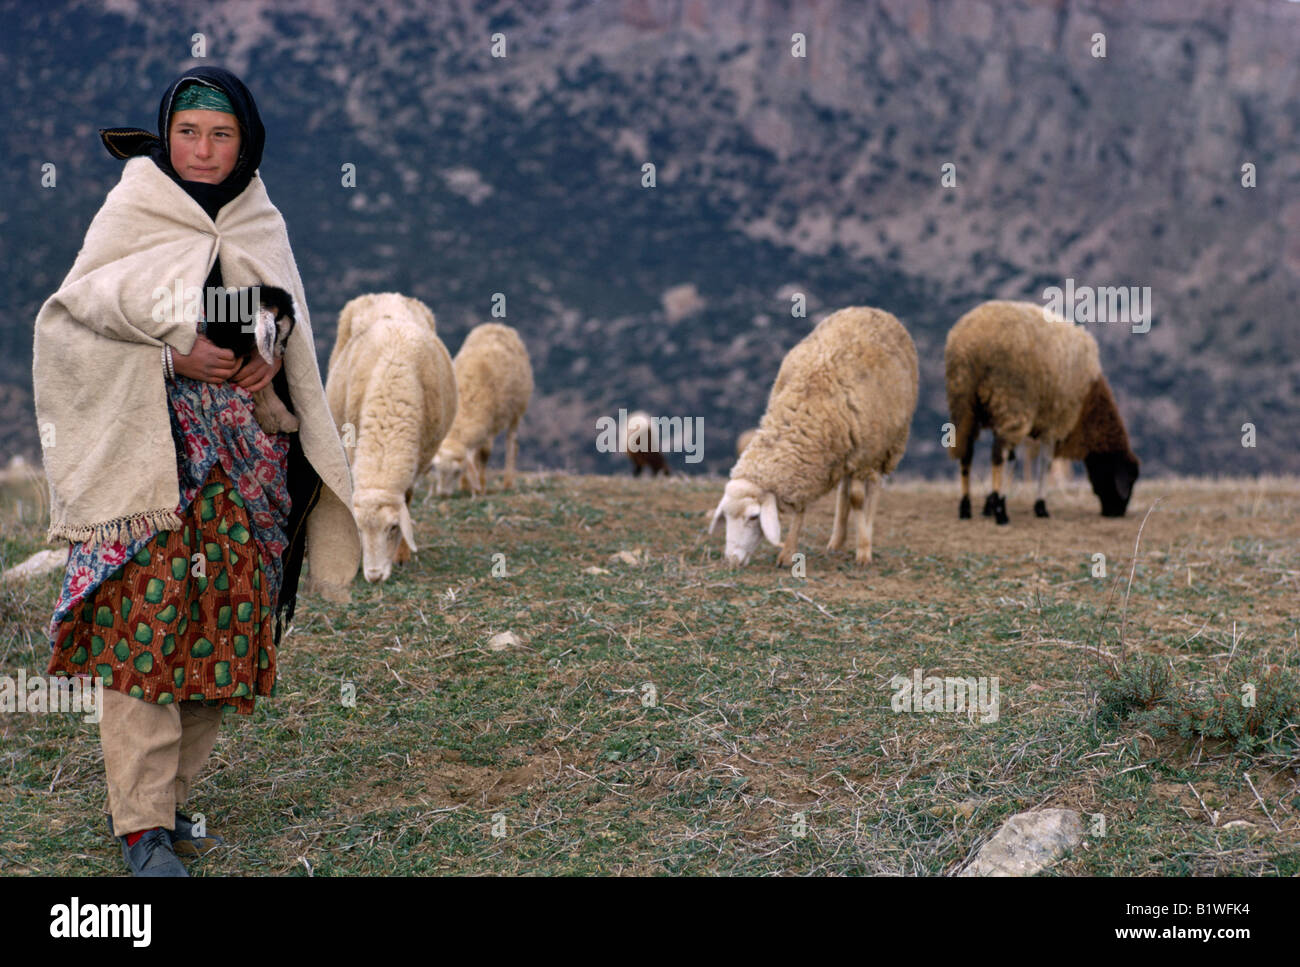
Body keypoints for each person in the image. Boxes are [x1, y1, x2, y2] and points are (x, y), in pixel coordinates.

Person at [33, 67, 361, 876]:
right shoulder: (135, 205)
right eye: (188, 132)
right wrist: (172, 354)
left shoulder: (258, 214)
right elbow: (73, 318)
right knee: (142, 631)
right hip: (150, 464)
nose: (204, 150)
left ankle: (170, 799)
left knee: (223, 629)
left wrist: (269, 356)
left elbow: (282, 313)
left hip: (247, 463)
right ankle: (140, 826)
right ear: (166, 135)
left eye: (221, 134)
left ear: (245, 141)